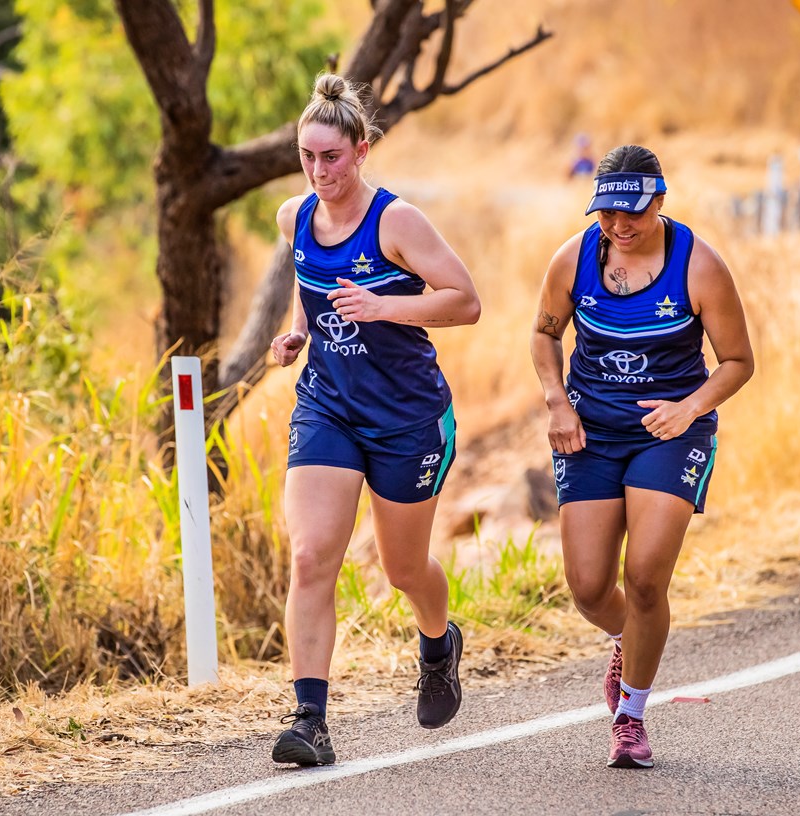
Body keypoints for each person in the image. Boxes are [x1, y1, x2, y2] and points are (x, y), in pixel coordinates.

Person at [268, 73, 481, 766]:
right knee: (309, 556)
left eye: (332, 156)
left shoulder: (397, 222)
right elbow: (310, 289)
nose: (319, 170)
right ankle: (310, 721)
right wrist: (297, 331)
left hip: (406, 416)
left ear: (362, 150)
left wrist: (386, 307)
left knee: (403, 567)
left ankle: (437, 642)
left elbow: (464, 300)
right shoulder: (294, 216)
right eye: (308, 155)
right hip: (328, 405)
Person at [529, 145, 753, 769]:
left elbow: (739, 362)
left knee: (646, 579)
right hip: (589, 430)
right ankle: (633, 640)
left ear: (659, 201)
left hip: (670, 432)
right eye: (606, 213)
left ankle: (631, 715)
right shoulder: (573, 259)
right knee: (588, 585)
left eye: (632, 213)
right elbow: (545, 334)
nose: (618, 226)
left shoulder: (700, 266)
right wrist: (556, 402)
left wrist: (689, 408)